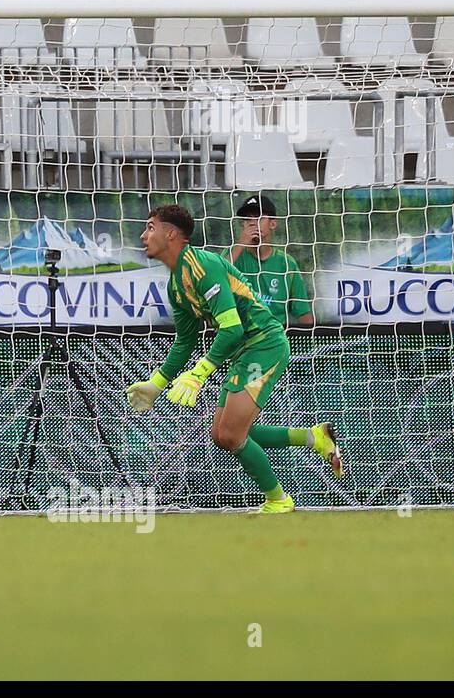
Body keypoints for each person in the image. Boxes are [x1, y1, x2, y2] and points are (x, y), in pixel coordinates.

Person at [124, 204, 342, 513]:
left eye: (149, 227)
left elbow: (232, 328)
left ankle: (279, 500)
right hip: (244, 351)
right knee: (224, 434)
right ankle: (314, 437)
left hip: (264, 345)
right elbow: (185, 341)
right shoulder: (176, 286)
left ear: (170, 233)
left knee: (229, 434)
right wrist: (157, 383)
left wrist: (198, 374)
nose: (143, 235)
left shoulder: (204, 265)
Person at [228, 194, 314, 328]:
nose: (251, 222)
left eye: (258, 217)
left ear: (273, 223)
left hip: (276, 339)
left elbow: (302, 312)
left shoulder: (286, 263)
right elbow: (214, 280)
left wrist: (314, 342)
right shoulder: (234, 255)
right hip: (241, 338)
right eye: (247, 219)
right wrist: (241, 244)